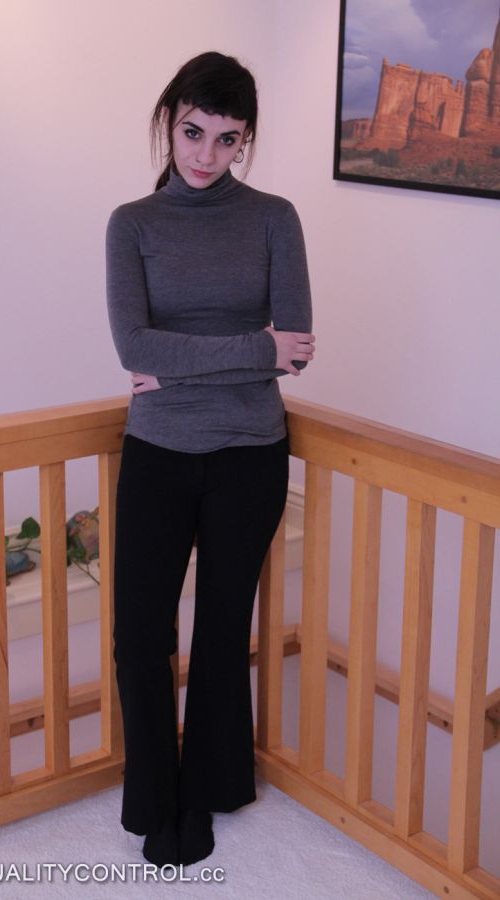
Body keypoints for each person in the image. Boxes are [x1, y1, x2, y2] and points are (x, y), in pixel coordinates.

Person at [105, 50, 314, 868]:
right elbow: (134, 346)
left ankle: (205, 794)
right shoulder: (132, 224)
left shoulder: (274, 218)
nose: (206, 154)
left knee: (223, 632)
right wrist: (253, 347)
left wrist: (182, 364)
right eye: (193, 132)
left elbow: (295, 353)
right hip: (157, 451)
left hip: (249, 455)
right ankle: (154, 796)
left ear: (244, 140)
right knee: (139, 634)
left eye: (227, 139)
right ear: (169, 121)